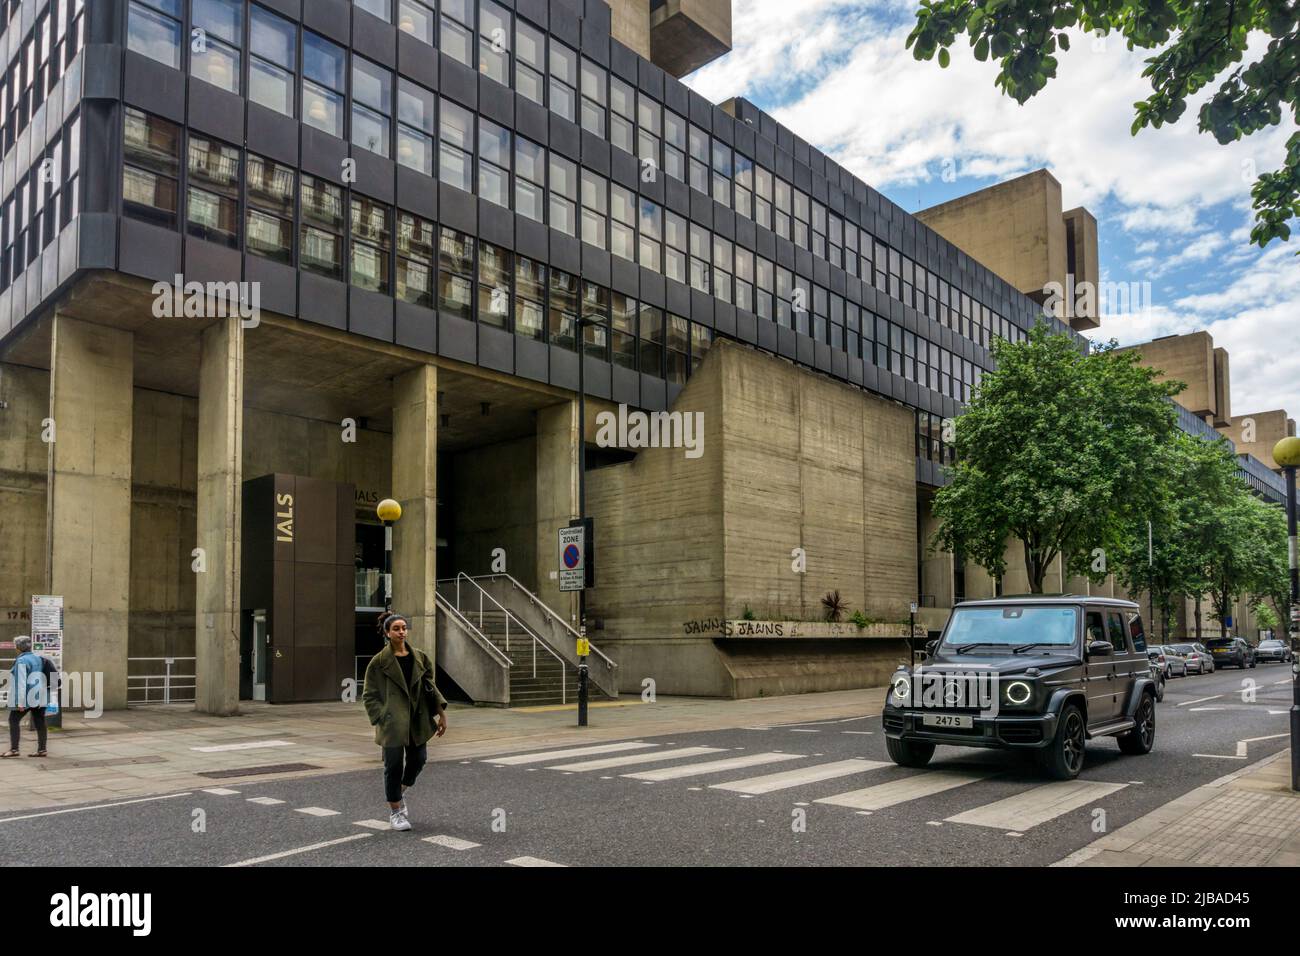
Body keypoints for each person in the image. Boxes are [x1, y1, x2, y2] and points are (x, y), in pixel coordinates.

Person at [362, 613, 447, 831]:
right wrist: (381, 716)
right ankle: (396, 811)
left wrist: (441, 713)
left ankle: (400, 792)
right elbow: (369, 694)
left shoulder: (419, 657)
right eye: (397, 629)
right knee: (393, 766)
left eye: (404, 628)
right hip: (392, 723)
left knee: (419, 759)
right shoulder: (379, 662)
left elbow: (430, 687)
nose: (401, 632)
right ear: (387, 633)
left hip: (417, 719)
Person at [4, 636, 48, 758]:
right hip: (39, 694)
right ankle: (42, 750)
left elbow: (21, 682)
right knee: (40, 721)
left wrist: (20, 701)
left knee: (13, 720)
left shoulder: (21, 661)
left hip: (27, 697)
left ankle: (14, 750)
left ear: (18, 648)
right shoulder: (38, 658)